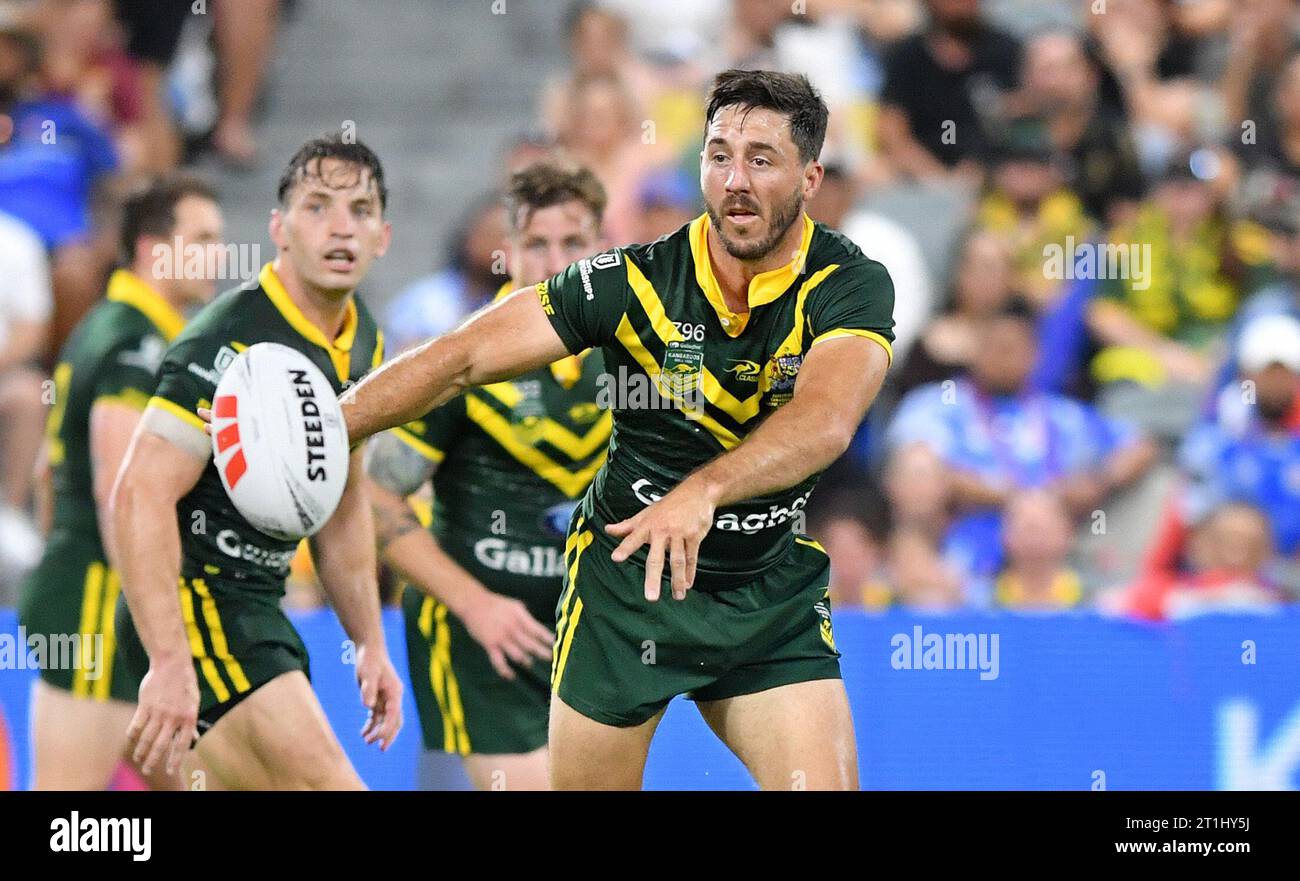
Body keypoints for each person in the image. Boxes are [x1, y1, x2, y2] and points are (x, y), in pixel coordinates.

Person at [335, 70, 895, 790]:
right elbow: (461, 356)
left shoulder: (849, 282)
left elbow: (826, 420)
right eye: (718, 154)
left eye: (761, 158)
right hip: (627, 594)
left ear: (810, 176)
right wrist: (331, 416)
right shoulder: (631, 281)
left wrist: (705, 492)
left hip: (765, 595)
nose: (734, 179)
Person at [111, 135, 402, 789]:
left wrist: (370, 642)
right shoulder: (225, 338)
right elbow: (139, 493)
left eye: (360, 210)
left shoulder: (367, 343)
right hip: (197, 606)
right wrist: (168, 658)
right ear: (279, 229)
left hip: (256, 609)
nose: (340, 227)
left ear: (383, 236)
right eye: (317, 206)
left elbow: (346, 502)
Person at [366, 161, 610, 791]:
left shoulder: (635, 357)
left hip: (586, 637)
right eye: (537, 244)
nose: (555, 262)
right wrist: (475, 604)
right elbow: (376, 494)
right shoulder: (463, 357)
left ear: (603, 249)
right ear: (508, 253)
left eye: (573, 244)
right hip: (478, 636)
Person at [18, 175, 222, 790]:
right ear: (156, 249)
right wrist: (155, 615)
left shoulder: (114, 327)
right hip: (100, 607)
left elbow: (47, 476)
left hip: (97, 595)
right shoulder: (134, 342)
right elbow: (120, 491)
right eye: (205, 238)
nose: (220, 255)